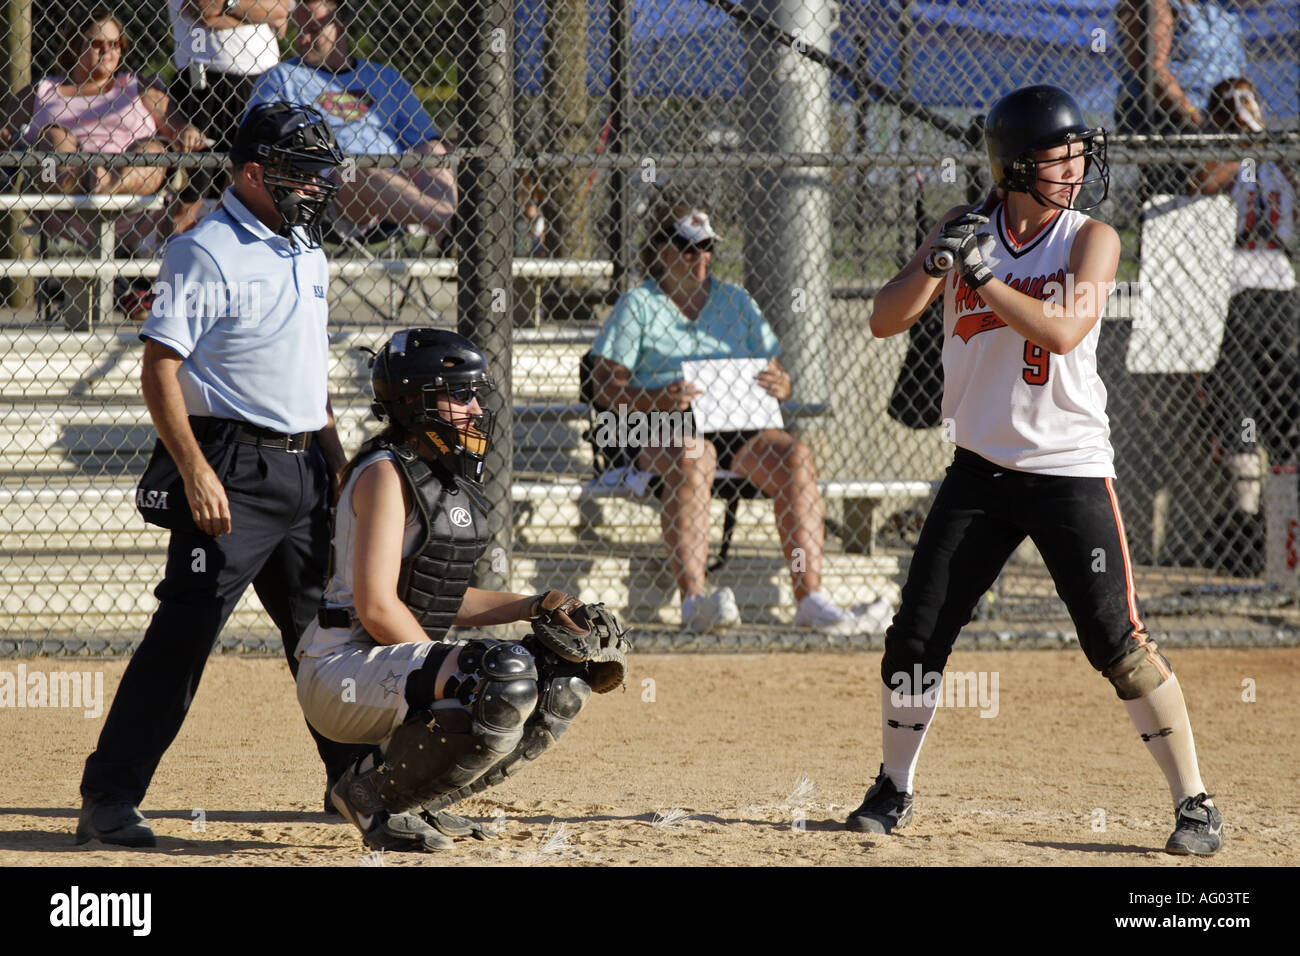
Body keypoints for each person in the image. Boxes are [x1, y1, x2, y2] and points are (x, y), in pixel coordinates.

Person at [848, 85, 1222, 856]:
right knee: (916, 638)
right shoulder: (961, 227)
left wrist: (984, 277)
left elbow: (1065, 328)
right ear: (1015, 169)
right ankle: (894, 785)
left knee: (1117, 644)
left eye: (1080, 154)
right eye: (1060, 158)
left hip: (1070, 472)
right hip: (979, 470)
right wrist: (941, 260)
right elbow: (884, 319)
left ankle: (1195, 802)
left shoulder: (1093, 238)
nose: (1077, 169)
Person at [75, 102, 368, 848]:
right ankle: (108, 797)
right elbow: (159, 369)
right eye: (301, 176)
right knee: (185, 633)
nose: (317, 188)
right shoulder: (204, 249)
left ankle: (361, 786)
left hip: (305, 463)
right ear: (253, 174)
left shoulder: (308, 249)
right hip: (231, 469)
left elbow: (309, 372)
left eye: (321, 173)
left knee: (327, 636)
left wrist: (337, 462)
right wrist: (196, 470)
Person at [296, 328, 629, 852]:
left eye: (475, 394)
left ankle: (414, 800)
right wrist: (457, 662)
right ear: (416, 401)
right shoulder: (385, 474)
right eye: (460, 394)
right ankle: (366, 794)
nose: (475, 408)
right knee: (494, 675)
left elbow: (453, 600)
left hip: (395, 666)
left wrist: (535, 606)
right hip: (342, 667)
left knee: (559, 678)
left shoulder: (440, 476)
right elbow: (378, 608)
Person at [588, 197, 863, 635]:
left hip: (735, 419)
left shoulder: (736, 301)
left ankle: (809, 597)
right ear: (661, 250)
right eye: (688, 247)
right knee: (694, 455)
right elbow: (603, 386)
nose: (701, 257)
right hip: (664, 423)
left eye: (707, 247)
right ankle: (694, 599)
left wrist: (782, 384)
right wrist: (657, 397)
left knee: (796, 458)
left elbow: (777, 372)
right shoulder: (637, 305)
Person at [1197, 77, 1299, 574]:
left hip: (1261, 288)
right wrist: (1252, 145)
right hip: (1259, 289)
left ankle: (1266, 523)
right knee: (1244, 402)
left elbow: (1208, 183)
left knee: (1266, 400)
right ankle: (1250, 521)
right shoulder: (1256, 158)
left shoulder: (1265, 160)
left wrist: (1256, 147)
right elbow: (1205, 184)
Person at [0, 8, 208, 252]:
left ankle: (103, 183)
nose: (108, 51)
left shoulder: (137, 86)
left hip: (131, 196)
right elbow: (6, 130)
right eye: (97, 44)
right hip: (60, 197)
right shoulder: (43, 90)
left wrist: (186, 132)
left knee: (153, 149)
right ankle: (86, 177)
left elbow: (177, 127)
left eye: (115, 44)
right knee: (55, 137)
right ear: (75, 45)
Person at [247, 0, 455, 240]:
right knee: (358, 168)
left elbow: (424, 140)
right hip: (331, 188)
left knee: (433, 149)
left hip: (399, 182)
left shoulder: (384, 77)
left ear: (341, 26)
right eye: (299, 29)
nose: (302, 39)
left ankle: (447, 234)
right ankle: (453, 223)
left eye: (313, 30)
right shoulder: (281, 77)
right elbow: (261, 140)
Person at [1115, 0, 1248, 196]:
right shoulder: (1159, 4)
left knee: (1259, 159)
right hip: (1171, 115)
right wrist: (1195, 117)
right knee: (1189, 189)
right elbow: (1153, 70)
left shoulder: (1221, 7)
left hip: (1225, 115)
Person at [166, 0, 293, 201]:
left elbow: (279, 12)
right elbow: (203, 10)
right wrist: (255, 17)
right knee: (190, 198)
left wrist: (227, 5)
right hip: (200, 88)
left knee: (248, 189)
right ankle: (179, 234)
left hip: (259, 84)